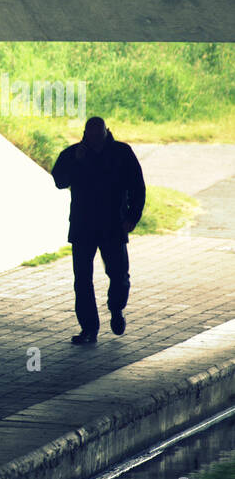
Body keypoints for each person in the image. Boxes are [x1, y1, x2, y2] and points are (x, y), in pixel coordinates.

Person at [51, 116, 146, 345]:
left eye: (97, 134)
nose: (93, 139)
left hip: (113, 224)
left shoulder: (122, 153)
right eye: (89, 134)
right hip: (83, 226)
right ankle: (89, 329)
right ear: (85, 133)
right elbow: (60, 181)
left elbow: (137, 186)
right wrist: (76, 162)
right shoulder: (73, 153)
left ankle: (116, 308)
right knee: (82, 280)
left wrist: (132, 217)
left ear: (106, 132)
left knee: (119, 275)